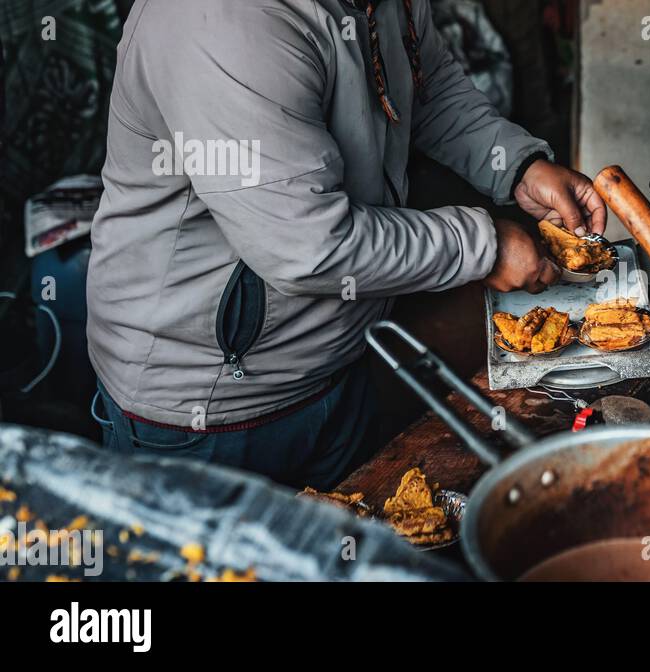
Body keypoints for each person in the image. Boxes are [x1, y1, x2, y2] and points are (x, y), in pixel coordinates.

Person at [86, 0, 605, 488]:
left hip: (336, 365)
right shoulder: (223, 21)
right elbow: (309, 245)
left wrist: (518, 166)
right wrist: (484, 245)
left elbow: (429, 89)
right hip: (206, 416)